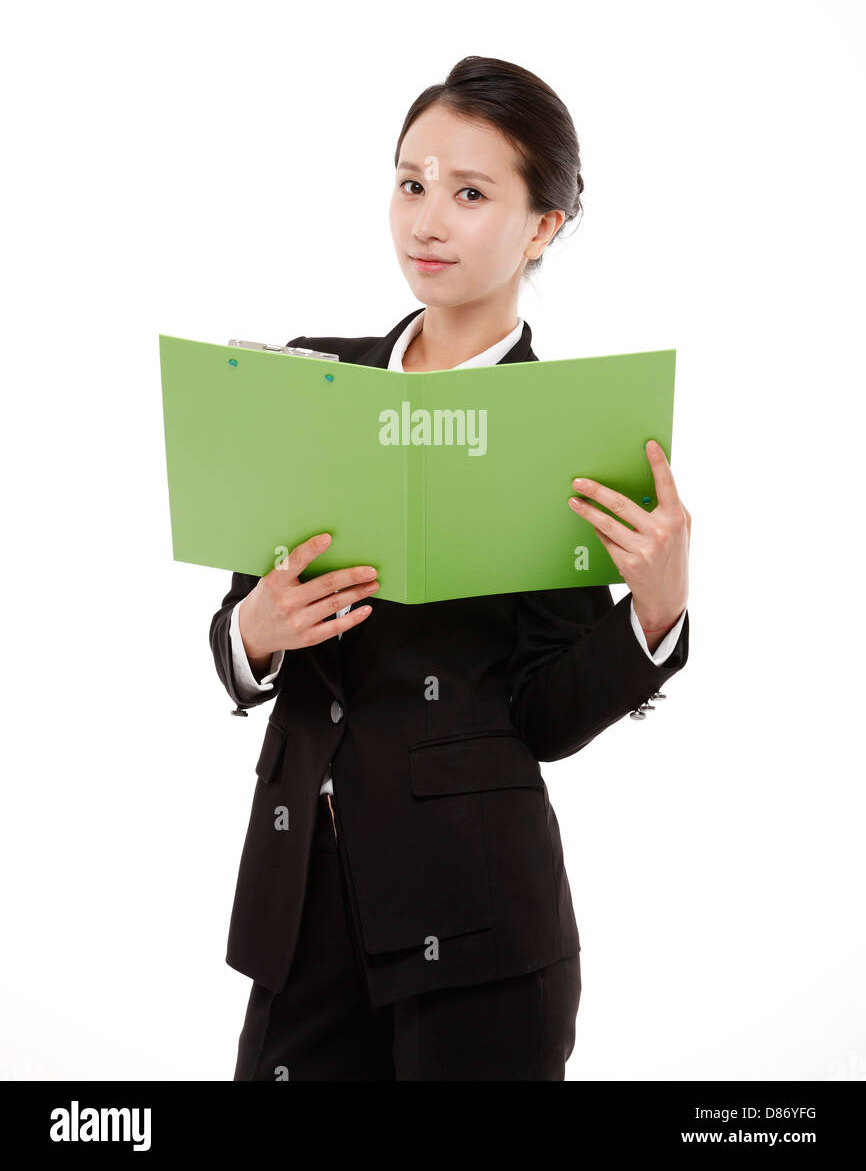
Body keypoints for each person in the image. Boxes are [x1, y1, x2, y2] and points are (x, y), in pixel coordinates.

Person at [209, 55, 691, 1080]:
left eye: (470, 194)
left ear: (542, 226)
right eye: (410, 183)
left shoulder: (561, 432)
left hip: (476, 928)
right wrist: (255, 633)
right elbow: (239, 630)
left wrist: (651, 614)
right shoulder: (309, 376)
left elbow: (545, 717)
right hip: (298, 913)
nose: (426, 221)